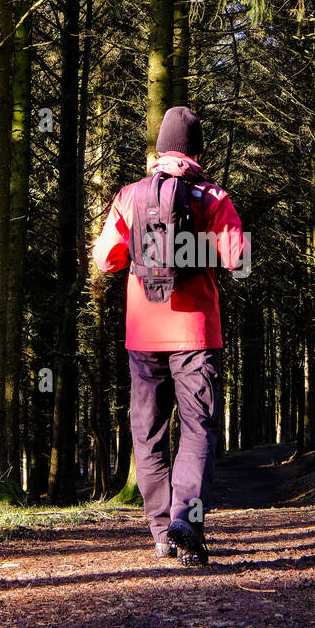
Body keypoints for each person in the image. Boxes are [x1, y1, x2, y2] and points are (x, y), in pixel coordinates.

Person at [91, 106, 245, 566]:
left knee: (149, 434)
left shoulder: (129, 196)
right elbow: (237, 259)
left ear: (159, 149)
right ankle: (186, 519)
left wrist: (144, 252)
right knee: (197, 430)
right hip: (197, 333)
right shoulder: (213, 197)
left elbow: (104, 260)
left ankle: (161, 533)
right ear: (197, 151)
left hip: (143, 335)